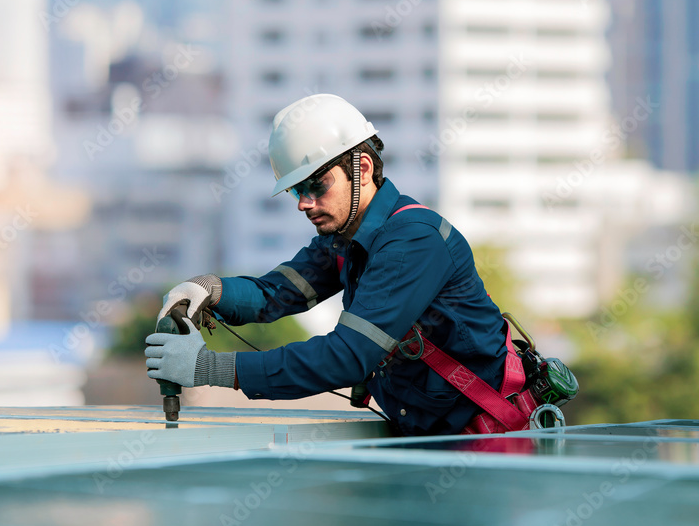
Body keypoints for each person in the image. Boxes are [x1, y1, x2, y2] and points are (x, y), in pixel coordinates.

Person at [144, 94, 518, 436]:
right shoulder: (343, 239)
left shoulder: (412, 241)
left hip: (491, 437)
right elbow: (274, 294)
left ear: (364, 168)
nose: (304, 203)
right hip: (434, 437)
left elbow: (347, 357)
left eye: (317, 185)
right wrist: (211, 289)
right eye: (296, 190)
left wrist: (210, 368)